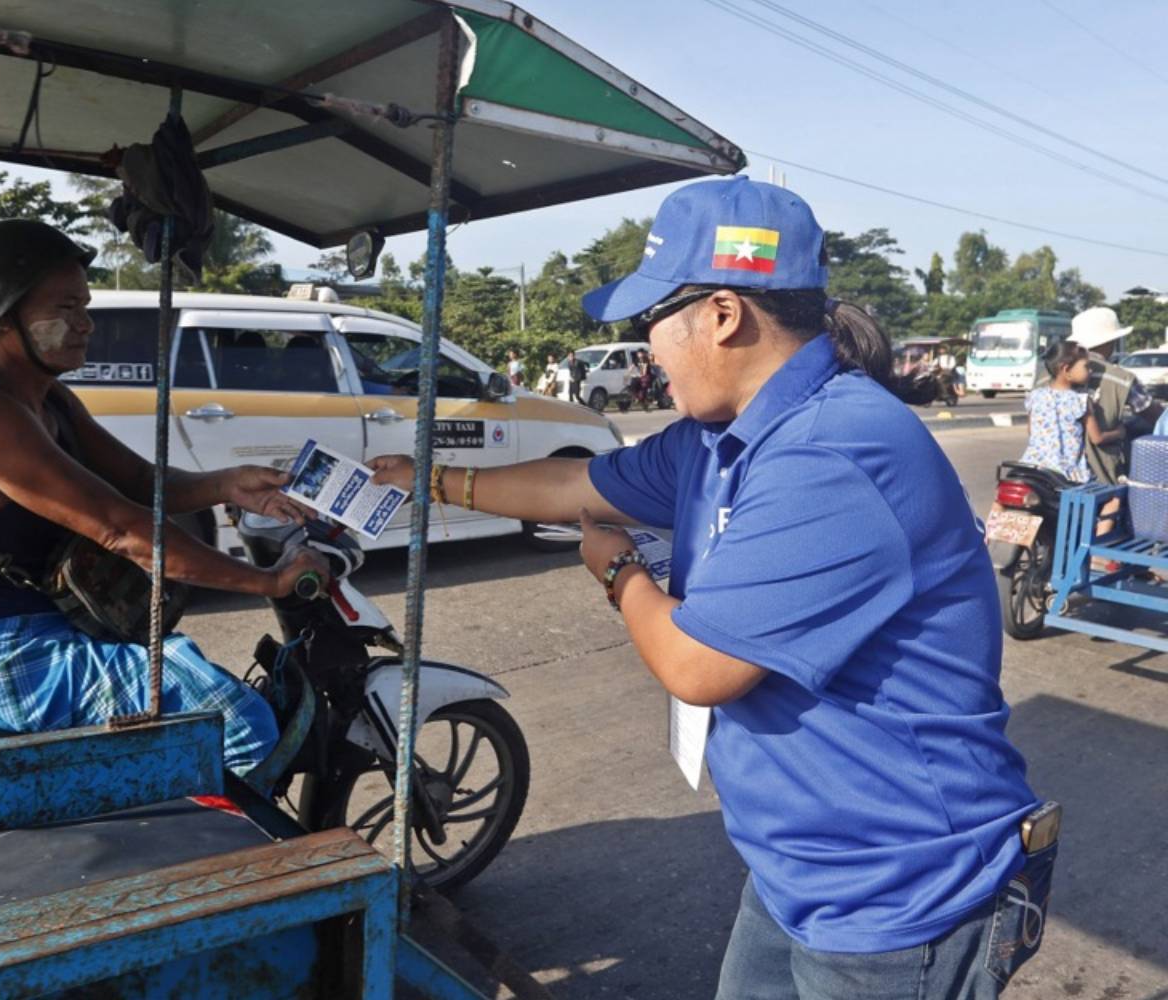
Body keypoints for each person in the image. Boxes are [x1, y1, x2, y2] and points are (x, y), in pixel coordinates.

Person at [371, 176, 1049, 999]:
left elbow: (699, 666)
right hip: (798, 867)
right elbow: (575, 487)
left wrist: (617, 570)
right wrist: (434, 481)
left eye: (651, 321)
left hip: (898, 890)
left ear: (723, 314)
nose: (647, 347)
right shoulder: (716, 438)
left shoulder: (833, 451)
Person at [0, 219, 329, 777]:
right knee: (241, 723)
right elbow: (122, 530)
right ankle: (201, 861)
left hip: (48, 631)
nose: (85, 324)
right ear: (4, 319)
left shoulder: (44, 397)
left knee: (191, 686)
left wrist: (226, 483)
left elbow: (134, 480)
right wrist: (269, 582)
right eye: (66, 308)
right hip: (5, 661)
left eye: (85, 306)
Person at [1069, 306, 1159, 484]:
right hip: (1101, 474)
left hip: (1049, 471)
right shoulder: (1121, 379)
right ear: (1110, 342)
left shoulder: (1048, 377)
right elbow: (1155, 416)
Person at [1021, 342, 1118, 482]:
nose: (1090, 371)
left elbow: (1031, 430)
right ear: (1066, 370)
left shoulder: (1035, 396)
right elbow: (1097, 438)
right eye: (1086, 366)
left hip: (1031, 466)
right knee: (1114, 499)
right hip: (1065, 472)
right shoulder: (1080, 401)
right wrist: (1119, 432)